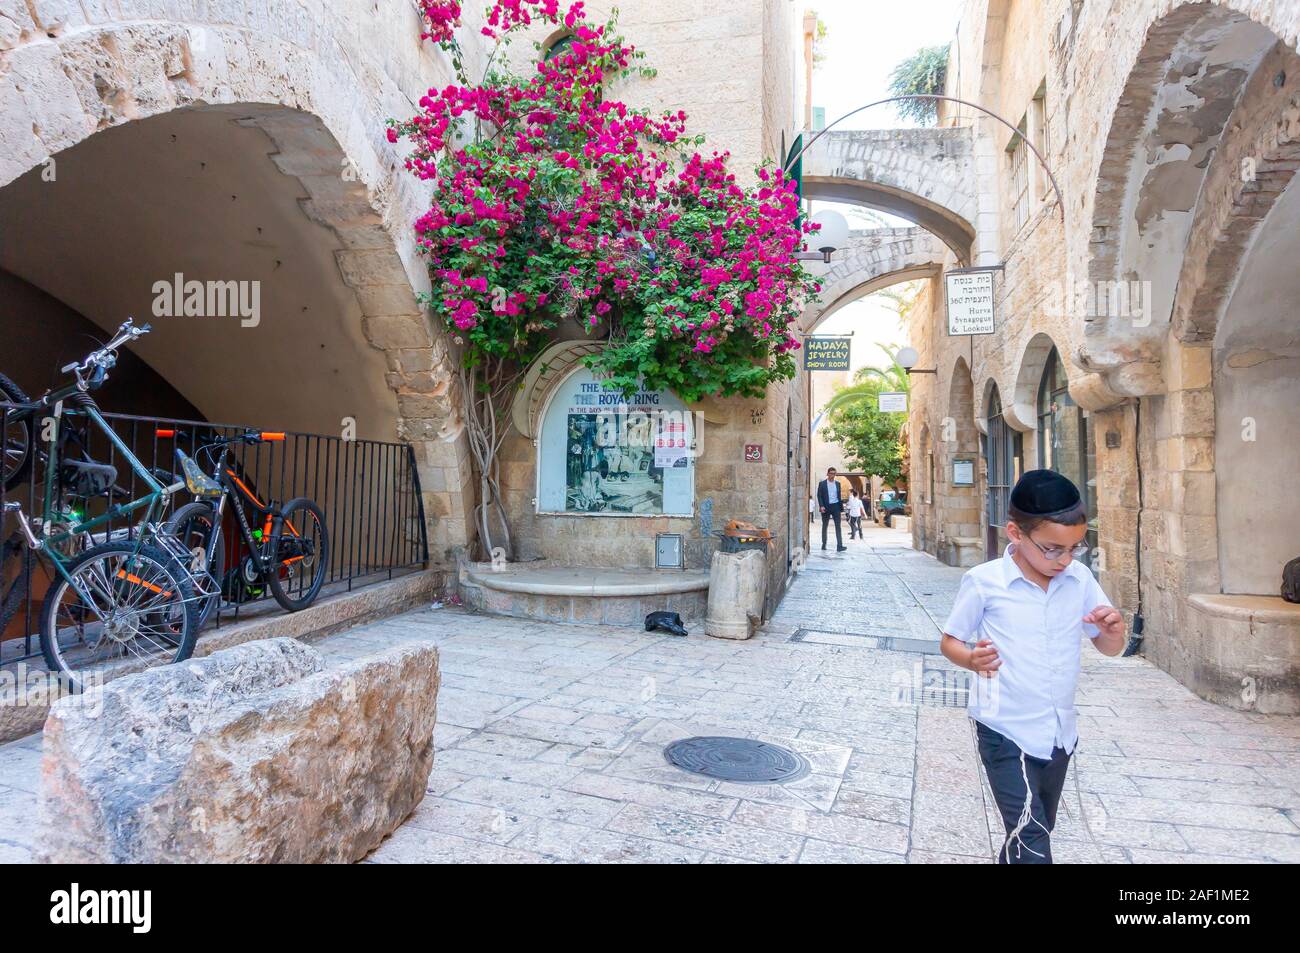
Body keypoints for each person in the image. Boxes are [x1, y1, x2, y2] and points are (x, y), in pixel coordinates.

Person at [939, 469, 1125, 864]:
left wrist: (1113, 631)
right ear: (1015, 533)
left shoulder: (1079, 580)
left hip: (1059, 735)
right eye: (1052, 549)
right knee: (1031, 837)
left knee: (1033, 831)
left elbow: (1109, 647)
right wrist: (971, 658)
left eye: (1075, 547)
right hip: (1004, 729)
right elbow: (949, 641)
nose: (1064, 559)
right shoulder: (984, 582)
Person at [815, 467, 847, 552]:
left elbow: (838, 496)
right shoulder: (822, 484)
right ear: (828, 474)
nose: (833, 475)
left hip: (836, 506)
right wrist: (821, 506)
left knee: (838, 526)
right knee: (825, 526)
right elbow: (819, 495)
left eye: (834, 473)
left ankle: (839, 546)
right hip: (826, 506)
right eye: (831, 473)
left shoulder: (837, 484)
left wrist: (841, 507)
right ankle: (824, 544)